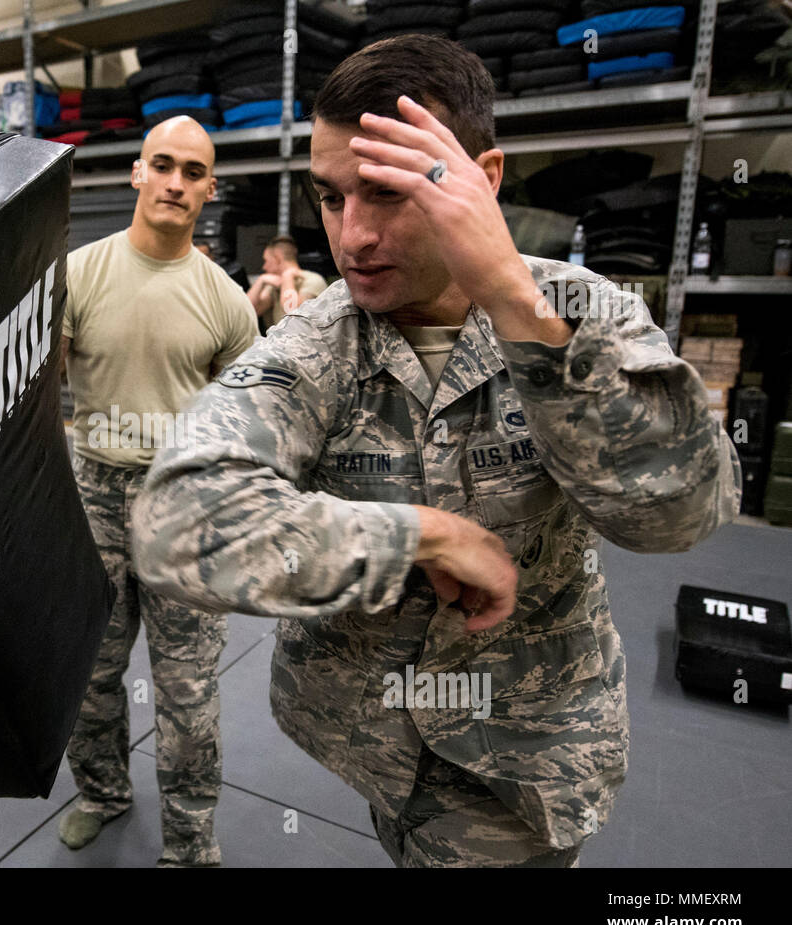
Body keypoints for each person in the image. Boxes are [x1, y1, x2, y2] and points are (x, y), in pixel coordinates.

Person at [132, 36, 741, 867]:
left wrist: (522, 313)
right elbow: (173, 523)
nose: (352, 237)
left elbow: (679, 514)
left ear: (481, 179)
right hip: (370, 741)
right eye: (331, 197)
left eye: (385, 193)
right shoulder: (322, 342)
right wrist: (419, 533)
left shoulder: (584, 310)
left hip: (528, 752)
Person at [58, 115, 259, 866]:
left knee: (187, 693)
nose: (176, 182)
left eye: (193, 172)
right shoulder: (78, 274)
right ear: (137, 173)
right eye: (163, 165)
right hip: (94, 497)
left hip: (184, 504)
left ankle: (190, 840)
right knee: (89, 674)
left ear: (209, 190)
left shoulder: (227, 303)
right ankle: (103, 794)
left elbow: (246, 422)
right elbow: (36, 393)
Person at [246, 234, 328, 333]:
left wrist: (287, 277)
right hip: (279, 345)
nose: (264, 267)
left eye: (266, 261)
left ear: (278, 258)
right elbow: (249, 311)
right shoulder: (274, 285)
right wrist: (260, 281)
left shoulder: (312, 280)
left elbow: (292, 314)